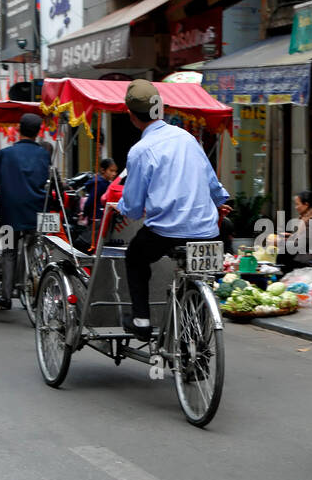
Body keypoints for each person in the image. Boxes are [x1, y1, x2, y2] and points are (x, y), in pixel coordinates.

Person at [113, 80, 230, 340]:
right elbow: (212, 182)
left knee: (135, 257)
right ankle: (197, 333)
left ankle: (141, 320)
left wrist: (119, 207)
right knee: (199, 274)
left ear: (131, 115)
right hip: (207, 230)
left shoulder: (140, 151)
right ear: (160, 109)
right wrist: (220, 201)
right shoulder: (187, 139)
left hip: (166, 232)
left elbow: (132, 209)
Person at [0, 113, 50, 310]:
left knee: (8, 251)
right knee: (33, 250)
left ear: (18, 129)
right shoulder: (44, 155)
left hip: (9, 215)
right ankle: (34, 288)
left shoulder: (5, 154)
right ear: (38, 132)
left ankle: (6, 296)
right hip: (36, 212)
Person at [280, 190, 312, 269]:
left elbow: (301, 244)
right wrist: (291, 237)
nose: (296, 207)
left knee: (284, 256)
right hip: (311, 255)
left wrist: (279, 242)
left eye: (297, 204)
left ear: (306, 205)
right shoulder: (309, 218)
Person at [75, 157, 117, 250]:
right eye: (111, 171)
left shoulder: (105, 183)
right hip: (97, 217)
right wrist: (85, 213)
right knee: (89, 242)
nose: (114, 174)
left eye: (115, 171)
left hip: (100, 217)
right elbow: (91, 200)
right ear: (103, 170)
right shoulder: (100, 184)